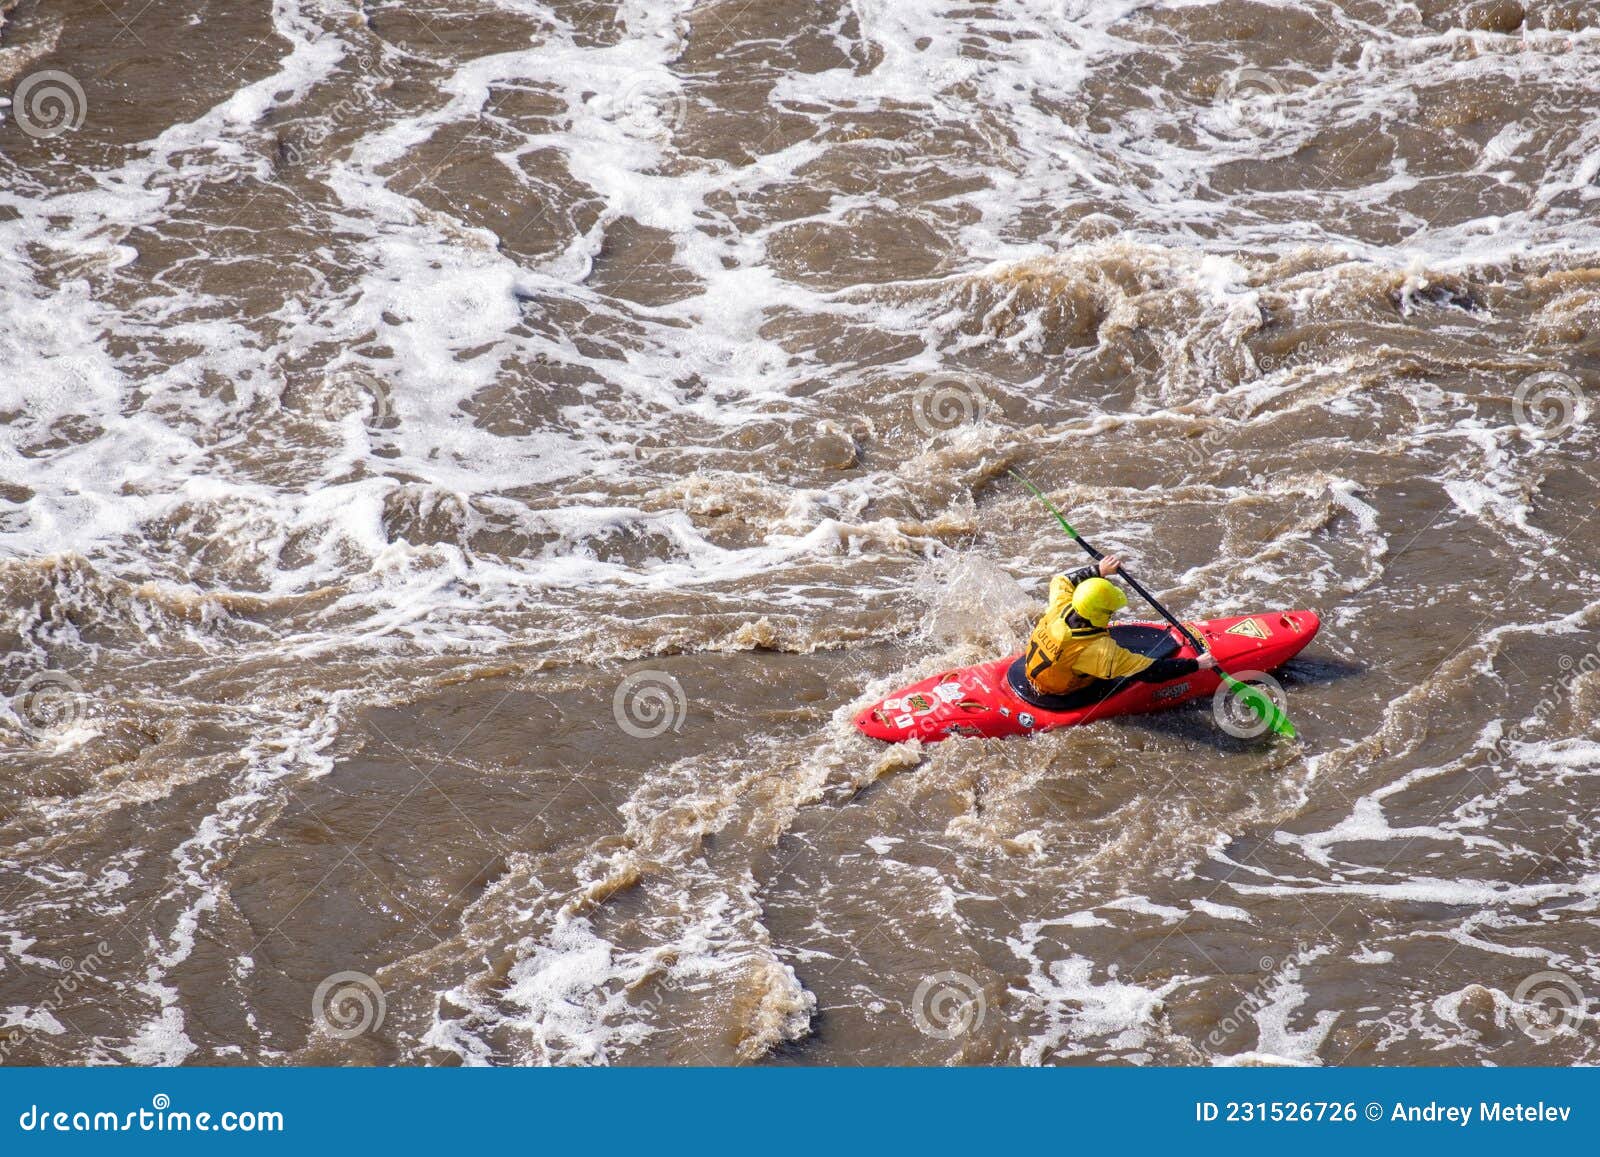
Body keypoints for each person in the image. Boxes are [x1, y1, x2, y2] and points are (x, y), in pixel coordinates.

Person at [1021, 554, 1217, 700]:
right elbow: (1150, 672)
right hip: (1061, 692)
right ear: (1099, 615)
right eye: (1110, 612)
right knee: (1128, 669)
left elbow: (1061, 580)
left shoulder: (1061, 605)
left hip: (1037, 672)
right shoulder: (1098, 651)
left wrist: (1099, 570)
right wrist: (1197, 664)